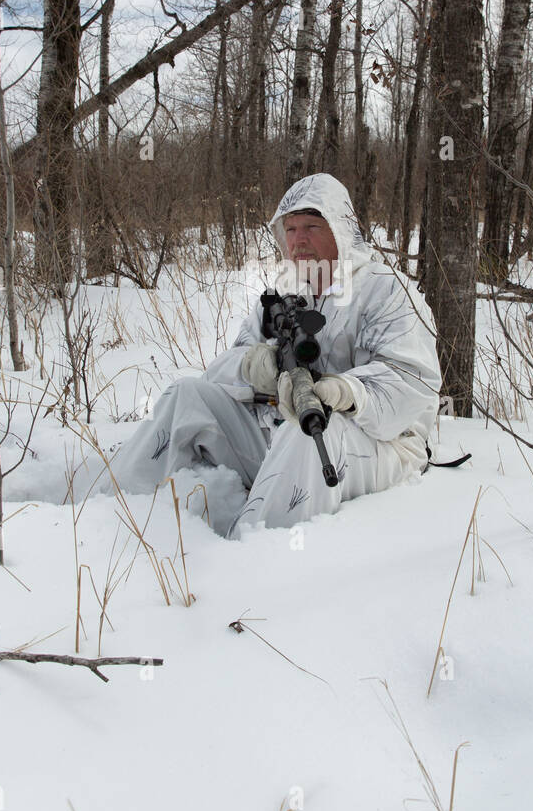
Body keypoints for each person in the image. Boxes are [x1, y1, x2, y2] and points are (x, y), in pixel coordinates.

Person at [90, 173, 443, 539]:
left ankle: (251, 564)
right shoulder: (286, 295)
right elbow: (222, 370)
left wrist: (346, 393)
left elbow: (412, 383)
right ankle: (110, 520)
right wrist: (254, 367)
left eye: (311, 226)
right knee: (186, 397)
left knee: (308, 430)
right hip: (281, 438)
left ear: (341, 229)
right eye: (290, 229)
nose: (298, 241)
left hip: (383, 448)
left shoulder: (386, 291)